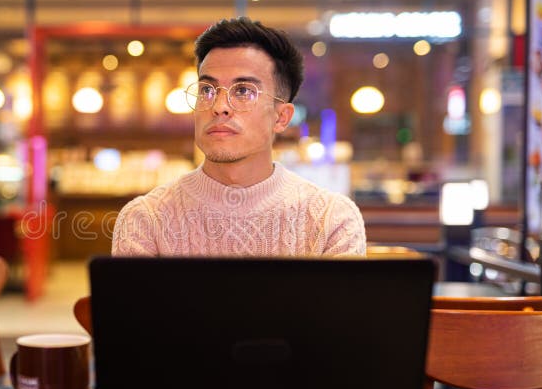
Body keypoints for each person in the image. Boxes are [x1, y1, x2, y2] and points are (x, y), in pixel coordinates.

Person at [112, 17, 366, 256]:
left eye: (243, 91)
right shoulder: (145, 219)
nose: (219, 106)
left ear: (281, 117)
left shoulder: (332, 220)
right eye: (207, 90)